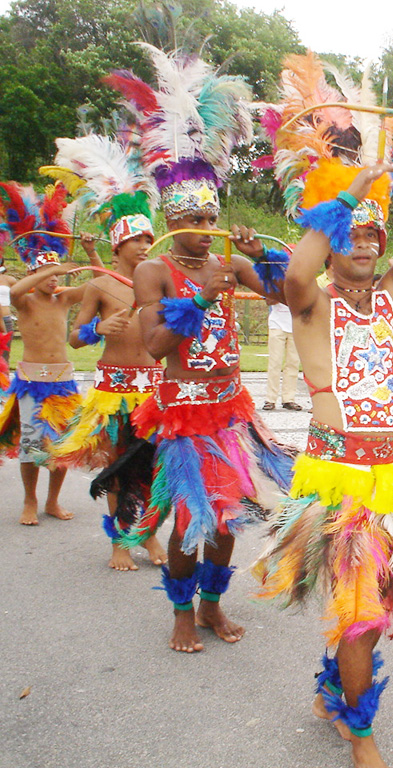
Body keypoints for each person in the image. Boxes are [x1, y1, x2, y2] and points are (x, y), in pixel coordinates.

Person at [251, 81, 393, 768]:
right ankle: (361, 729)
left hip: (391, 475)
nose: (369, 243)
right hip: (339, 474)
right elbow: (296, 269)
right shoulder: (312, 302)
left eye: (375, 233)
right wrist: (348, 194)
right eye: (355, 233)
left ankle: (332, 688)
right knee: (359, 608)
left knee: (372, 602)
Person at [104, 44, 296, 652]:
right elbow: (158, 345)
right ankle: (181, 615)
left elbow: (288, 293)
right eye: (190, 209)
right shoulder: (155, 270)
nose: (202, 218)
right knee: (192, 521)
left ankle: (212, 604)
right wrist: (204, 301)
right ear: (172, 211)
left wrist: (263, 255)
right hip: (183, 411)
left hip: (229, 407)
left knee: (230, 522)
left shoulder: (226, 260)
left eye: (210, 208)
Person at [40, 136, 168, 569]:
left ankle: (148, 536)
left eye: (148, 239)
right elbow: (75, 338)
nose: (144, 246)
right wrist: (98, 328)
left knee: (152, 468)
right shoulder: (99, 285)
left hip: (154, 392)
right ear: (118, 246)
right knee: (117, 469)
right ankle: (118, 542)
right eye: (136, 240)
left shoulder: (159, 281)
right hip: (113, 391)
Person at [0, 182, 84, 526]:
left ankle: (52, 500)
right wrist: (51, 270)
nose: (54, 281)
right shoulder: (23, 298)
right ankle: (30, 500)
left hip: (63, 384)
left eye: (56, 274)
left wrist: (91, 257)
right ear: (35, 273)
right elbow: (15, 288)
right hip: (31, 382)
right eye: (46, 275)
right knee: (32, 447)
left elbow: (94, 285)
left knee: (62, 447)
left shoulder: (63, 299)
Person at [264, 299, 302, 411]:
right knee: (275, 362)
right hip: (277, 324)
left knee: (293, 363)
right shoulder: (274, 281)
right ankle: (270, 399)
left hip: (295, 325)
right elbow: (269, 300)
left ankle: (289, 398)